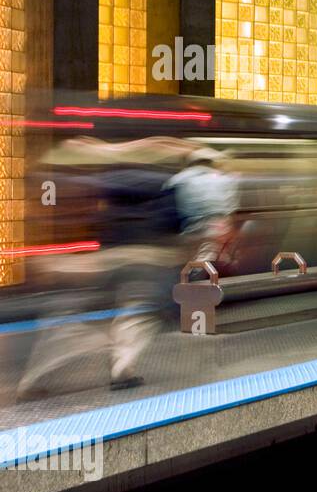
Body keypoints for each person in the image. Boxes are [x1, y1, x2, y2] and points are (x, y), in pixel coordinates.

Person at [17, 138, 187, 398]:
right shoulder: (162, 181)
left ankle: (35, 377)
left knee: (72, 316)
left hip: (108, 256)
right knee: (138, 317)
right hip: (146, 258)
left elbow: (96, 213)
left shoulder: (110, 179)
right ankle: (121, 368)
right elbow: (172, 221)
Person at [167, 147, 239, 270]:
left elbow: (170, 203)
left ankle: (195, 280)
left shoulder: (180, 178)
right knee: (214, 260)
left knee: (195, 262)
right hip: (218, 226)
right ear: (210, 162)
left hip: (190, 227)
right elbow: (231, 208)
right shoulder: (223, 178)